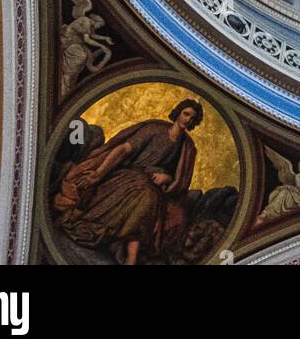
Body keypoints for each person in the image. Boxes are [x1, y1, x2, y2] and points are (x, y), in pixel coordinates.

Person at [54, 98, 203, 264]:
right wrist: (98, 173)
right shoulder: (156, 129)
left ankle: (130, 254)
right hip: (131, 174)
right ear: (178, 113)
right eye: (186, 114)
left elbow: (180, 180)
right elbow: (124, 149)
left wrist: (167, 177)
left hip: (156, 186)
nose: (188, 119)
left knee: (168, 208)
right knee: (147, 196)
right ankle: (130, 257)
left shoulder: (187, 147)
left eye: (192, 118)